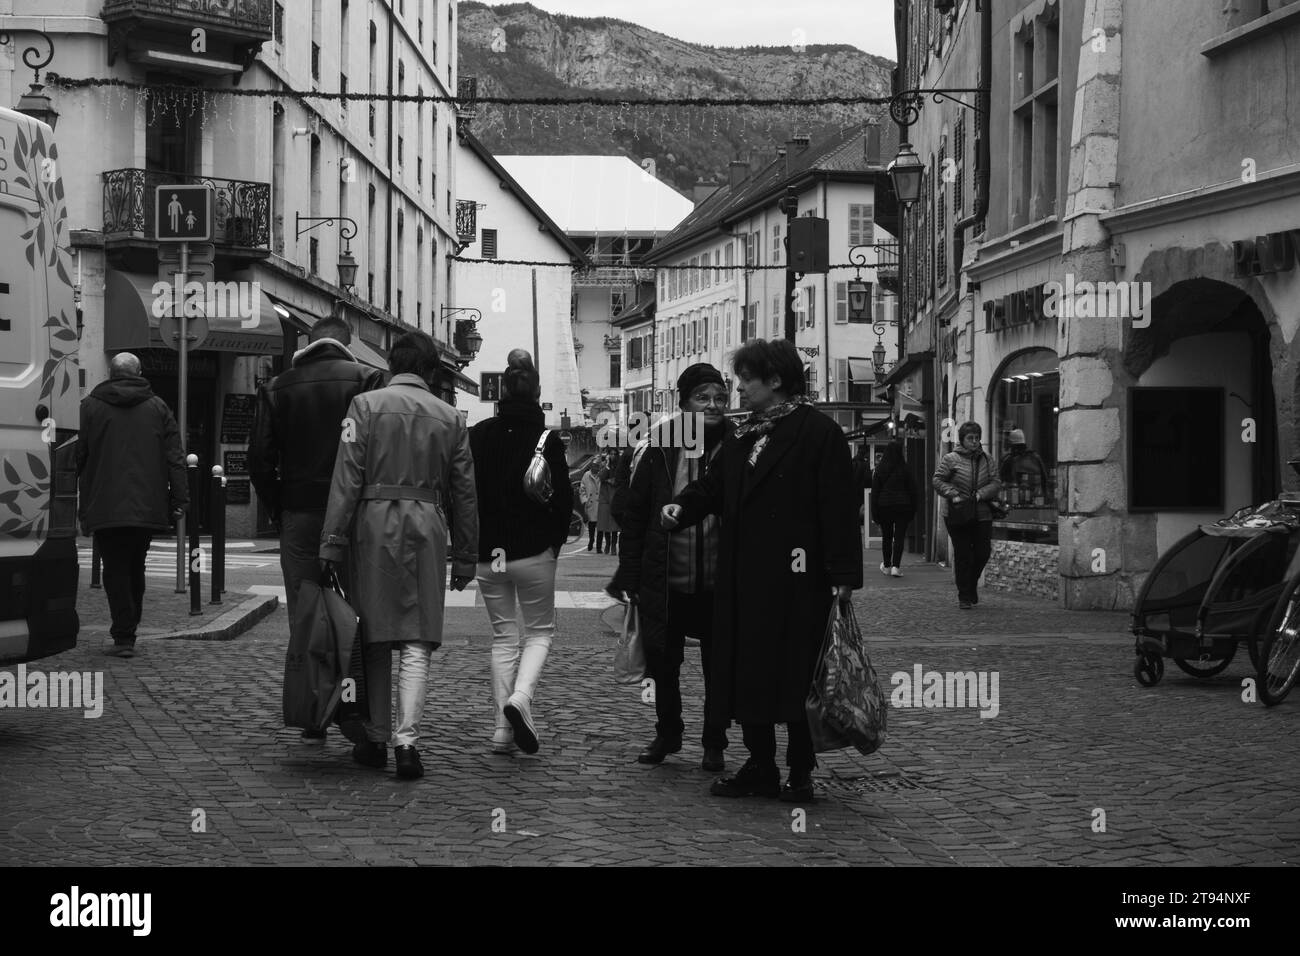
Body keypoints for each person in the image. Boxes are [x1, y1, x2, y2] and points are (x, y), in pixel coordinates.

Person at [662, 339, 862, 803]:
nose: (739, 391)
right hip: (743, 579)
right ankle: (759, 763)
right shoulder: (743, 435)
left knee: (796, 674)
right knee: (745, 671)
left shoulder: (817, 433)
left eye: (746, 380)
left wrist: (843, 574)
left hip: (798, 580)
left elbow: (838, 507)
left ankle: (800, 770)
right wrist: (680, 508)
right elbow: (712, 488)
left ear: (774, 380)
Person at [319, 330, 479, 780]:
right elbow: (465, 493)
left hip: (372, 525)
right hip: (427, 526)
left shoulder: (364, 408)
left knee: (373, 633)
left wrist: (331, 541)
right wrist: (466, 555)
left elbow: (346, 479)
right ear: (429, 370)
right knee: (417, 638)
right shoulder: (451, 417)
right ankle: (408, 744)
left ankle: (375, 739)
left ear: (392, 364)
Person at [248, 315, 385, 742]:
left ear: (309, 343)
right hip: (354, 514)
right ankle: (353, 705)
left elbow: (258, 458)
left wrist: (278, 505)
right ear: (346, 344)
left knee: (307, 612)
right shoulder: (369, 380)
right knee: (356, 608)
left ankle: (315, 707)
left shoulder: (277, 387)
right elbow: (377, 447)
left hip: (300, 512)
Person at [610, 364, 733, 772]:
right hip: (666, 574)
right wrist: (630, 573)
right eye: (703, 397)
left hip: (720, 576)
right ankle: (668, 731)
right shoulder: (661, 445)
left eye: (719, 397)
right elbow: (636, 513)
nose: (714, 404)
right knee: (664, 660)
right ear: (683, 403)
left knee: (720, 663)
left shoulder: (736, 444)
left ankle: (715, 741)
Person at [469, 349, 572, 756]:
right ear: (537, 394)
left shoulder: (479, 434)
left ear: (501, 392)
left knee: (502, 637)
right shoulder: (548, 439)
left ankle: (500, 729)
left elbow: (465, 491)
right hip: (533, 551)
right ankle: (522, 698)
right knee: (540, 633)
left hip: (487, 551)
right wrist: (555, 544)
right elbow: (563, 501)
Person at [76, 352, 187, 659]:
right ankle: (129, 628)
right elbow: (175, 457)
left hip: (104, 501)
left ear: (111, 374)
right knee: (136, 564)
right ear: (139, 373)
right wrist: (179, 499)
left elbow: (77, 454)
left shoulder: (90, 407)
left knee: (114, 568)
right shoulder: (158, 407)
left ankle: (124, 632)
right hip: (146, 503)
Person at [933, 421, 1002, 610]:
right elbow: (937, 480)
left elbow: (996, 482)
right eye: (970, 438)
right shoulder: (951, 459)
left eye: (977, 438)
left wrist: (981, 494)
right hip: (957, 513)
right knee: (963, 554)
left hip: (981, 512)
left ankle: (971, 584)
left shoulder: (987, 459)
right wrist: (952, 493)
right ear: (962, 439)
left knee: (982, 553)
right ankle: (964, 595)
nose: (974, 441)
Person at [871, 439, 919, 578]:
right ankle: (896, 567)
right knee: (899, 537)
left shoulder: (880, 469)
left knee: (887, 537)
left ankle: (886, 565)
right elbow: (913, 491)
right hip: (903, 507)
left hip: (884, 507)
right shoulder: (905, 469)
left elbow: (875, 493)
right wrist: (913, 509)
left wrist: (875, 513)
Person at [999, 427, 1049, 505]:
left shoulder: (1008, 460)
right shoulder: (1036, 457)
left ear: (1011, 445)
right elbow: (1045, 480)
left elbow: (1000, 483)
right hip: (1037, 502)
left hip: (1016, 503)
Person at [596, 454, 620, 555]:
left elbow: (622, 480)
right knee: (605, 524)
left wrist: (613, 481)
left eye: (615, 454)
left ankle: (613, 546)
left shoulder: (619, 468)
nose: (613, 457)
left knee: (614, 526)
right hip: (605, 499)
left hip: (615, 499)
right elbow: (600, 477)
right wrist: (607, 466)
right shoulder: (605, 467)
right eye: (611, 454)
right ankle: (608, 544)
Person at [580, 458, 603, 551]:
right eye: (594, 466)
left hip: (600, 503)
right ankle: (591, 540)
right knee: (592, 525)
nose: (595, 468)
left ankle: (599, 546)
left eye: (597, 466)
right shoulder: (586, 475)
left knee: (601, 526)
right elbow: (582, 489)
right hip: (591, 503)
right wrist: (585, 500)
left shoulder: (602, 475)